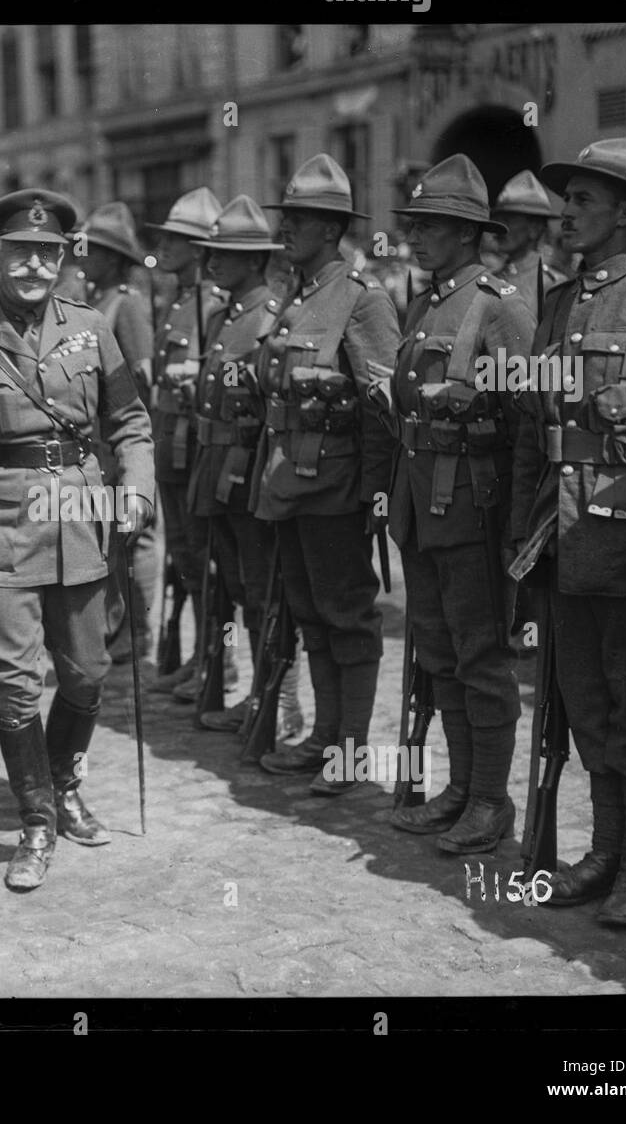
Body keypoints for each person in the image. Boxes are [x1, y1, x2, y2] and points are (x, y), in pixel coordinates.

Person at [0, 189, 155, 892]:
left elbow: (131, 423)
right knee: (18, 686)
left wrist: (137, 490)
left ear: (63, 258)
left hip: (80, 518)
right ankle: (37, 820)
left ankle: (63, 782)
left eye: (46, 255)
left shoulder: (92, 329)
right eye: (20, 253)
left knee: (85, 673)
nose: (33, 267)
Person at [510, 138, 626, 925]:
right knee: (585, 702)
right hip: (563, 540)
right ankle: (605, 852)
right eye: (566, 200)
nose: (565, 213)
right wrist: (522, 536)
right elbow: (535, 431)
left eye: (583, 200)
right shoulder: (558, 304)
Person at [374, 154, 536, 853]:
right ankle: (463, 789)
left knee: (480, 658)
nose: (414, 237)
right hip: (421, 508)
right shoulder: (426, 301)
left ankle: (491, 801)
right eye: (412, 224)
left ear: (469, 233)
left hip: (474, 512)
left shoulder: (500, 307)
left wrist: (520, 527)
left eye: (430, 226)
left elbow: (529, 426)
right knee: (438, 653)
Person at [252, 155, 399, 790]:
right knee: (310, 613)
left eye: (301, 219)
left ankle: (351, 753)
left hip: (337, 487)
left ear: (333, 229)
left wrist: (374, 494)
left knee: (347, 616)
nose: (285, 228)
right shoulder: (294, 294)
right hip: (288, 480)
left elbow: (384, 408)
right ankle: (323, 737)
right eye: (285, 216)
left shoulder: (362, 300)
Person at [184, 196, 284, 731]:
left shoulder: (271, 317)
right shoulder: (222, 317)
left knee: (262, 589)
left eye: (224, 253)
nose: (211, 261)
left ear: (256, 260)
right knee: (237, 586)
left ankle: (278, 704)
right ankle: (254, 694)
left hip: (249, 470)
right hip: (215, 466)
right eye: (209, 251)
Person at [145, 187, 227, 694]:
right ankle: (202, 657)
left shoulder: (212, 303)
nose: (165, 246)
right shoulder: (178, 301)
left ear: (199, 249)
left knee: (203, 555)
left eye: (176, 239)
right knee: (184, 554)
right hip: (170, 443)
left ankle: (217, 661)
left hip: (196, 445)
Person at [77, 201, 160, 665]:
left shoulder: (125, 303)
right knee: (108, 536)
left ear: (113, 258)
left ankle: (138, 633)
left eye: (94, 249)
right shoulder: (96, 300)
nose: (83, 255)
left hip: (120, 437)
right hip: (97, 441)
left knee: (134, 538)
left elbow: (143, 377)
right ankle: (118, 626)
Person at [490, 170, 567, 311]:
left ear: (534, 228)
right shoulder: (492, 278)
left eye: (508, 220)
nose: (500, 227)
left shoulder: (551, 284)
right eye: (498, 219)